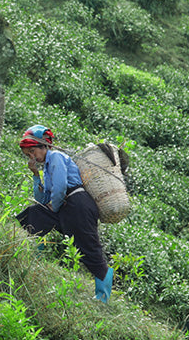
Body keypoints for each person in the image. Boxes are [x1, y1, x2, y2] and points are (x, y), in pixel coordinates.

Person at [15, 124, 114, 303]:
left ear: (44, 146)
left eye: (32, 151)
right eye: (28, 154)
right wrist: (35, 175)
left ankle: (103, 297)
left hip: (78, 205)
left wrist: (55, 206)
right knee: (34, 213)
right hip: (66, 207)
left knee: (89, 248)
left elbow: (60, 187)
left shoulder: (56, 157)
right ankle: (29, 259)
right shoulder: (45, 167)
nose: (31, 156)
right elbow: (43, 199)